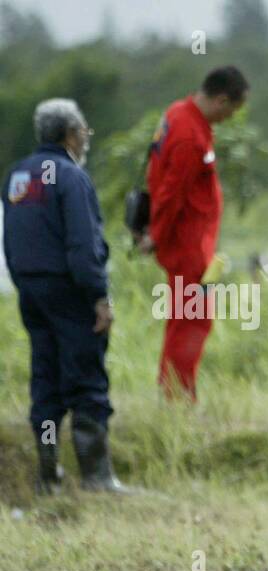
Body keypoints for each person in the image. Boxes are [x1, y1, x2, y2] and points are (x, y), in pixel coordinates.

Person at [3, 99, 131, 493]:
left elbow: (12, 238)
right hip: (70, 290)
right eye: (85, 132)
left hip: (31, 290)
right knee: (86, 378)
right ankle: (97, 477)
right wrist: (98, 295)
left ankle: (48, 475)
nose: (86, 138)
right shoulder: (71, 177)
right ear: (71, 133)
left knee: (46, 381)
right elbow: (83, 245)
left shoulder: (19, 175)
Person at [139, 65, 248, 401]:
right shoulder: (189, 135)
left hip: (194, 243)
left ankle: (173, 390)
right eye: (231, 110)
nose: (229, 118)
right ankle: (178, 396)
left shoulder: (178, 113)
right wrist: (156, 234)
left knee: (182, 318)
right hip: (188, 247)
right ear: (220, 100)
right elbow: (171, 192)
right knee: (193, 320)